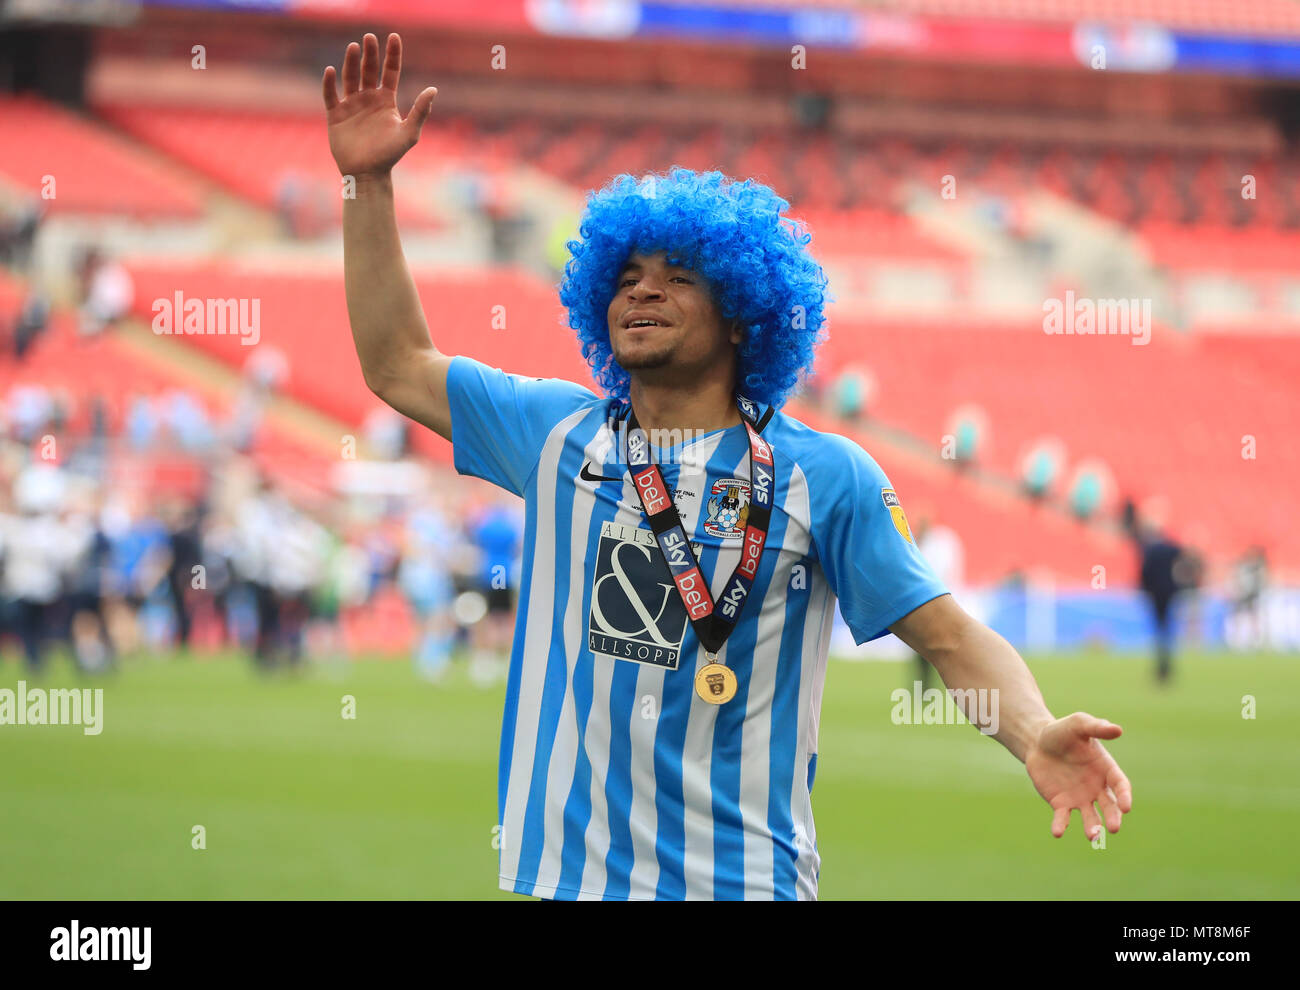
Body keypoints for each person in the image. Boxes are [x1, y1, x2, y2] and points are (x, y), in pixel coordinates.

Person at [323, 32, 1134, 900]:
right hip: (561, 883)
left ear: (746, 316)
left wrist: (1035, 731)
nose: (641, 291)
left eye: (679, 278)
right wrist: (367, 184)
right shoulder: (554, 431)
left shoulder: (826, 477)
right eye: (627, 274)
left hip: (743, 885)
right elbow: (396, 363)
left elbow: (950, 640)